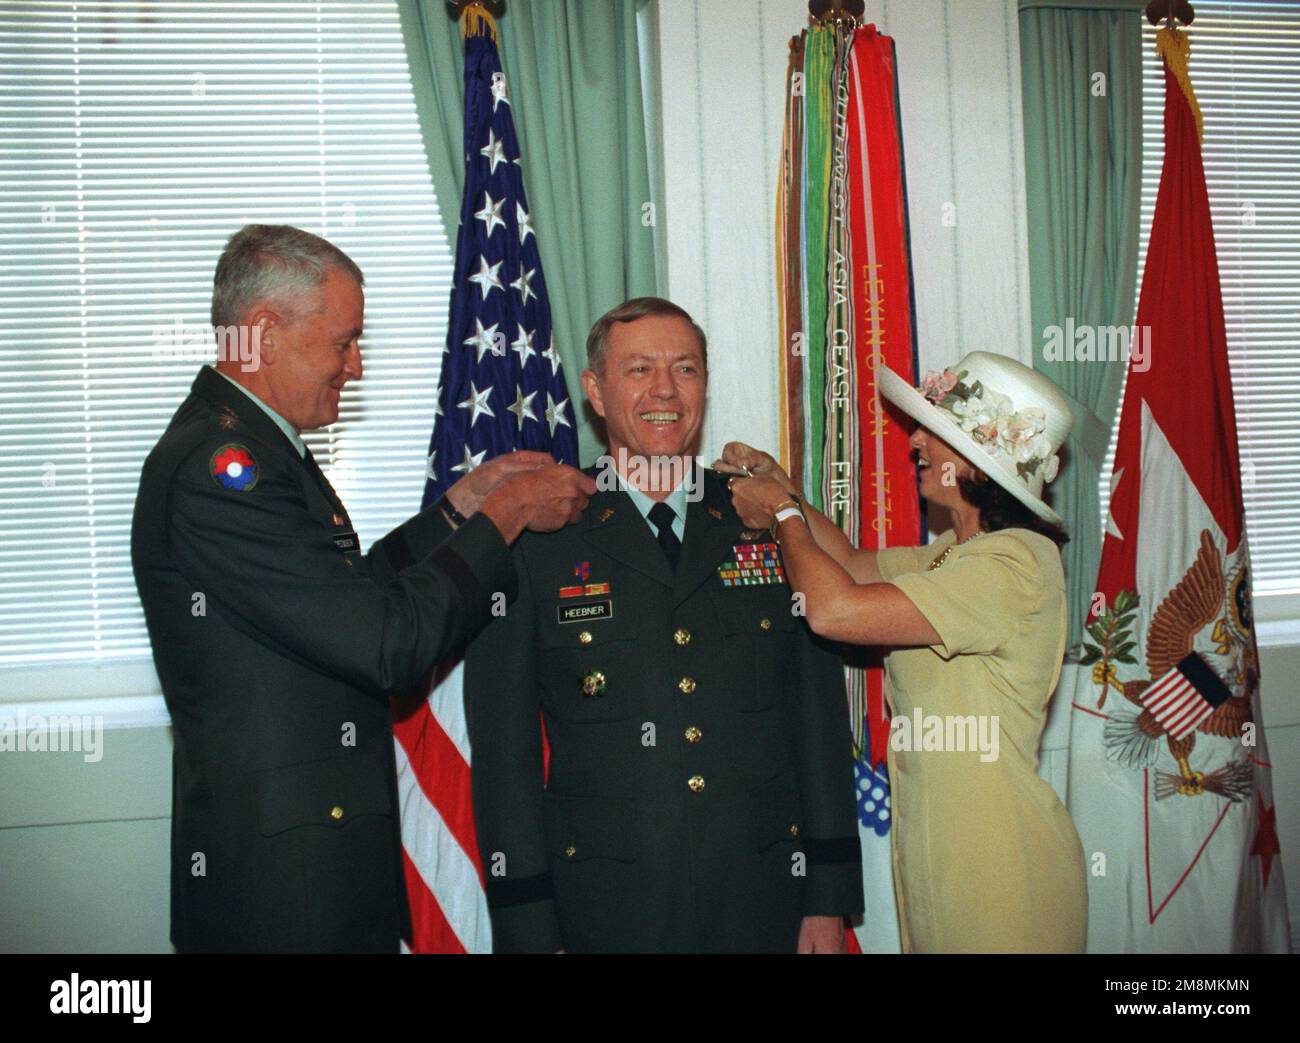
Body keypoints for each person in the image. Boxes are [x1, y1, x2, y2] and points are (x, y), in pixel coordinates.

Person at [131, 224, 595, 953]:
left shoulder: (259, 444)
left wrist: (461, 507)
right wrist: (505, 517)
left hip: (314, 868)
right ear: (263, 333)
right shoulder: (222, 470)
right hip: (286, 891)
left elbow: (344, 598)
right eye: (343, 341)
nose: (356, 364)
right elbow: (386, 643)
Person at [464, 297, 864, 953]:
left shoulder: (763, 519)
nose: (664, 391)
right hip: (605, 904)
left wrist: (828, 893)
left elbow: (815, 717)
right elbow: (504, 756)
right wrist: (528, 925)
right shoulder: (538, 536)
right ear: (594, 389)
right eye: (639, 369)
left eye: (685, 369)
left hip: (762, 894)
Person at [722, 351, 1088, 953]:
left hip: (1000, 869)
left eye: (935, 432)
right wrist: (784, 485)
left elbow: (833, 608)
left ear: (979, 462)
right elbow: (848, 567)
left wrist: (780, 513)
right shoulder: (955, 553)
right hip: (944, 857)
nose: (914, 440)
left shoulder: (1013, 563)